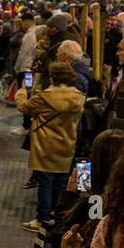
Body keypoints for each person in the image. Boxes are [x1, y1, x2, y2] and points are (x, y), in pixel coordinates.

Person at [18, 61, 86, 233]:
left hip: (45, 145)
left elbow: (24, 107)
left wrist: (21, 92)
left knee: (45, 182)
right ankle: (57, 217)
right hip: (67, 144)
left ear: (52, 77)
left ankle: (42, 218)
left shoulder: (44, 97)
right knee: (61, 183)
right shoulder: (78, 97)